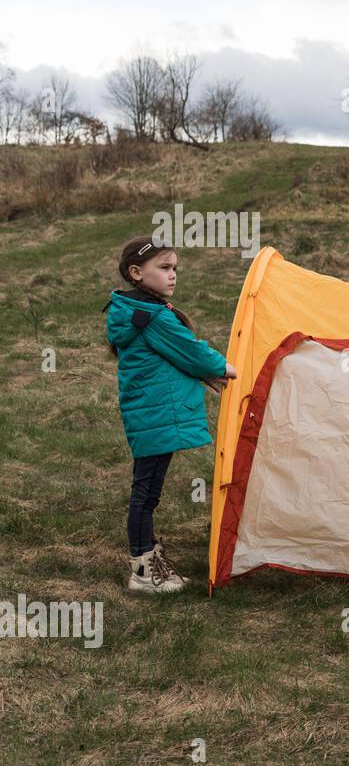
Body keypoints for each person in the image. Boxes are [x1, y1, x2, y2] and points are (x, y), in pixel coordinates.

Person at [103, 235, 237, 593]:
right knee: (145, 492)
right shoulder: (152, 316)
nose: (173, 275)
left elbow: (176, 357)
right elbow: (189, 351)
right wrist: (227, 367)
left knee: (148, 491)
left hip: (152, 416)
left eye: (175, 268)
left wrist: (206, 372)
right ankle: (142, 570)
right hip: (154, 417)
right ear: (136, 273)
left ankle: (150, 556)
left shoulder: (140, 313)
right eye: (164, 268)